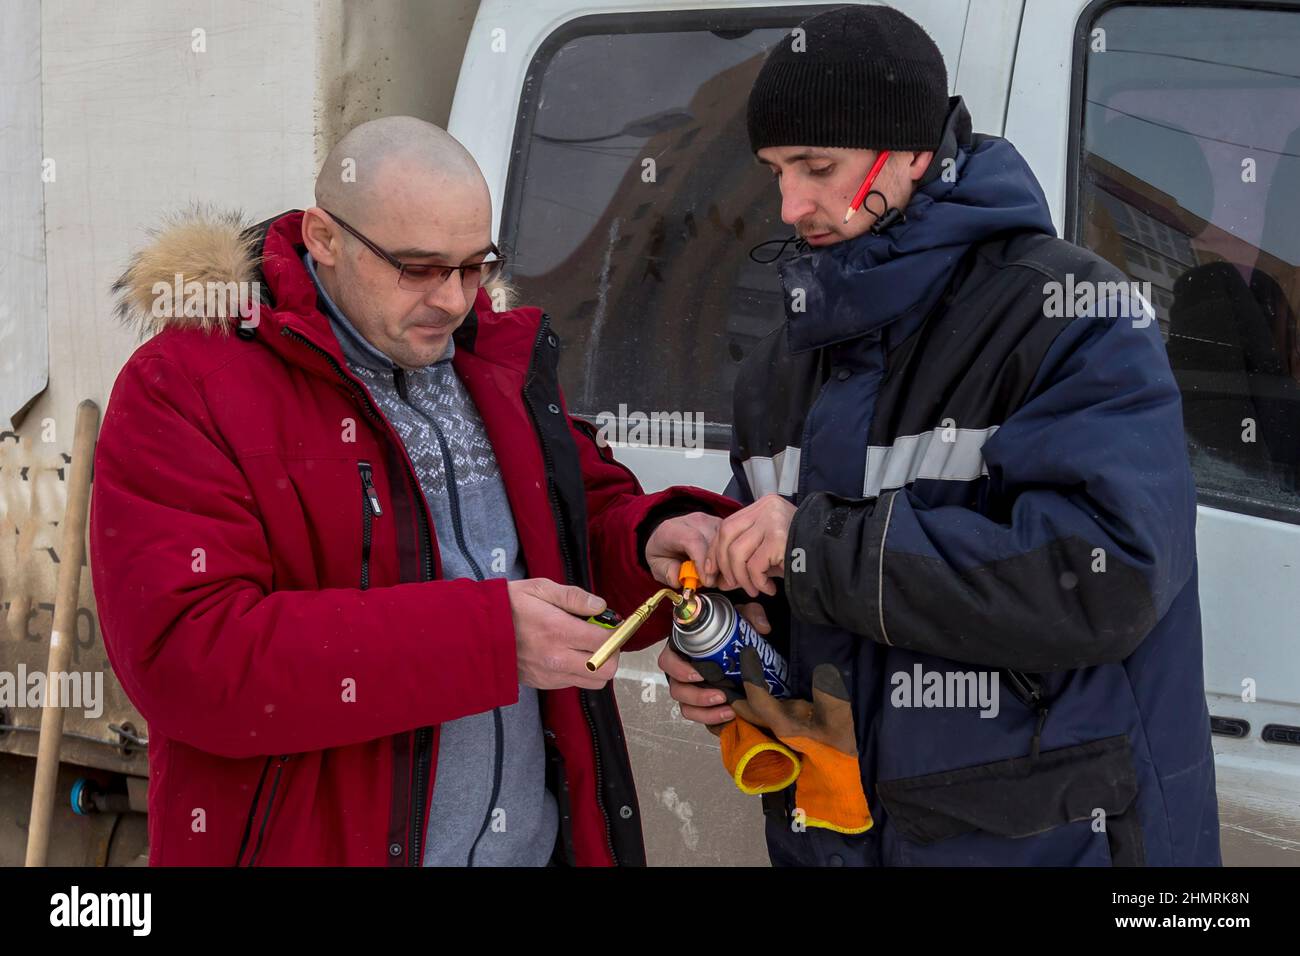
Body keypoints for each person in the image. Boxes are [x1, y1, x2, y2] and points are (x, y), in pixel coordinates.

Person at [653, 4, 1220, 866]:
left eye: (816, 166)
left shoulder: (1068, 315)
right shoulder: (785, 358)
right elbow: (791, 572)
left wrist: (815, 549)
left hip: (1047, 841)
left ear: (915, 153)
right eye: (774, 170)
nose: (789, 202)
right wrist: (732, 635)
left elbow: (1108, 576)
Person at [90, 116, 729, 866]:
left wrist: (650, 538)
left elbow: (575, 529)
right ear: (326, 238)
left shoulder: (494, 360)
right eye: (420, 268)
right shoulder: (188, 385)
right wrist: (487, 640)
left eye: (472, 266)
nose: (455, 300)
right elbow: (190, 659)